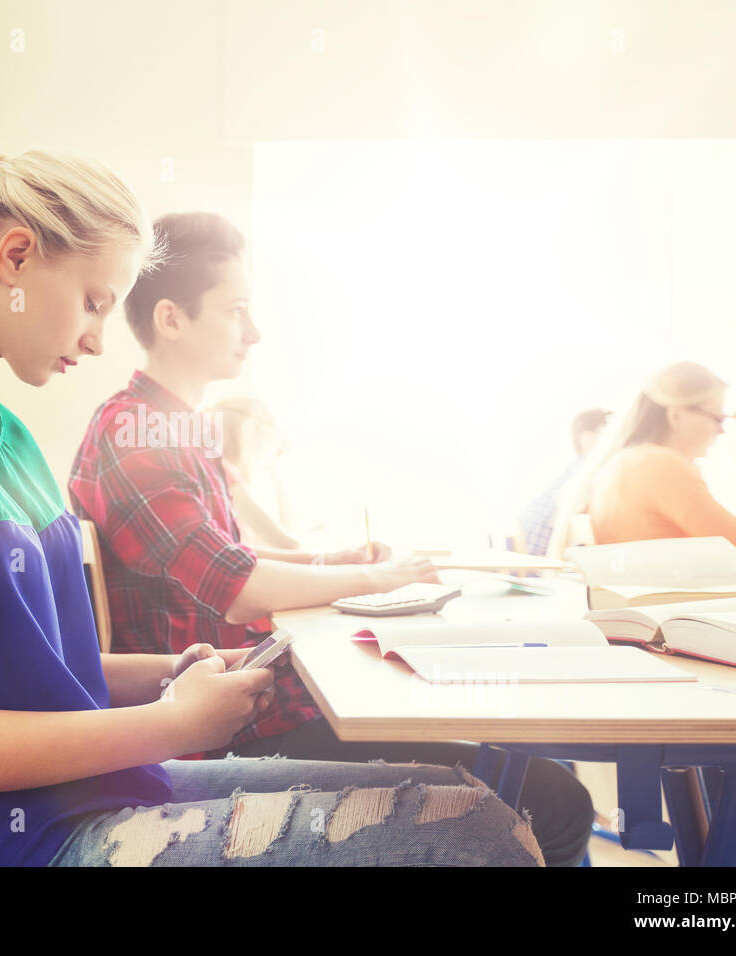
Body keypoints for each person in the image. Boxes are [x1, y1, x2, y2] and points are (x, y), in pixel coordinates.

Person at [0, 142, 541, 867]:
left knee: (465, 800)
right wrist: (167, 724)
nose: (97, 336)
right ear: (14, 257)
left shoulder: (2, 432)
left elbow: (49, 672)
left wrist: (172, 675)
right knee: (480, 840)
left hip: (72, 803)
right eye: (92, 302)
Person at [69, 212, 591, 866]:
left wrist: (330, 560)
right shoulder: (137, 436)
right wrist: (377, 579)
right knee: (553, 800)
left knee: (525, 758)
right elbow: (237, 589)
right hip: (230, 731)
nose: (253, 334)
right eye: (236, 312)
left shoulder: (172, 429)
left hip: (256, 700)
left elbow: (228, 557)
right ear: (172, 319)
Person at [552, 361, 736, 557]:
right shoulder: (660, 466)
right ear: (676, 415)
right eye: (717, 418)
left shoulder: (619, 464)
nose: (721, 431)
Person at [206, 396, 304, 550]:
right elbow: (288, 543)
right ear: (255, 430)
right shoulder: (225, 474)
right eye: (273, 440)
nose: (273, 451)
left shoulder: (224, 471)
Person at [518, 408, 610, 556]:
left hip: (524, 554)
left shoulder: (571, 471)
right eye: (607, 433)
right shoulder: (586, 475)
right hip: (537, 563)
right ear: (587, 439)